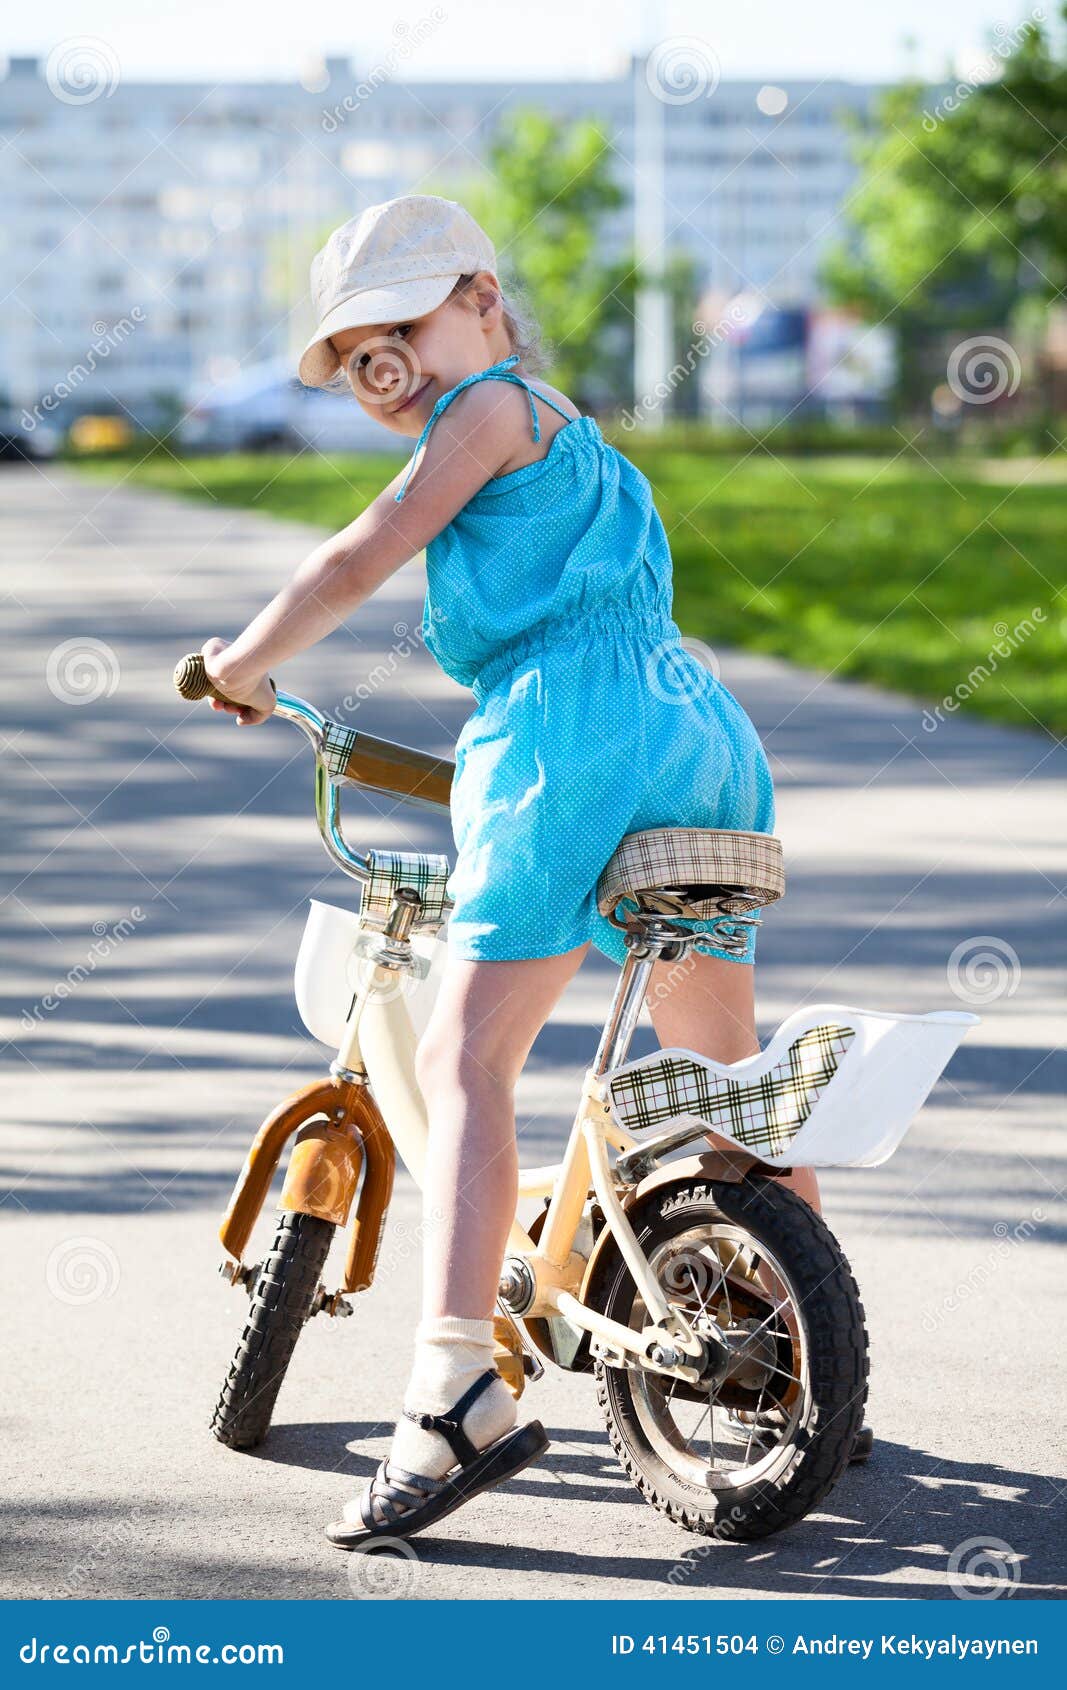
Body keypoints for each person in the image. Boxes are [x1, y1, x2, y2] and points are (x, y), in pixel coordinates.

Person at [200, 194, 860, 1549]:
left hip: (564, 738)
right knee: (725, 1084)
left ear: (482, 297)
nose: (394, 366)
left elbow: (361, 550)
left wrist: (244, 664)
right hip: (694, 728)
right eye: (364, 354)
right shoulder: (568, 429)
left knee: (467, 1058)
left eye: (409, 327)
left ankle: (452, 1399)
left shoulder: (485, 410)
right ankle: (802, 1354)